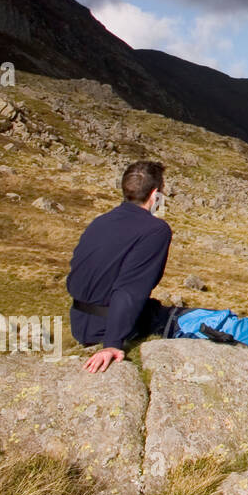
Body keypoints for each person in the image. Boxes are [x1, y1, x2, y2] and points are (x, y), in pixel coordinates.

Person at [66, 159, 178, 373]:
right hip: (107, 328)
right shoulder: (155, 230)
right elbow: (131, 288)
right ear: (155, 195)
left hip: (80, 323)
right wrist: (112, 343)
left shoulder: (101, 221)